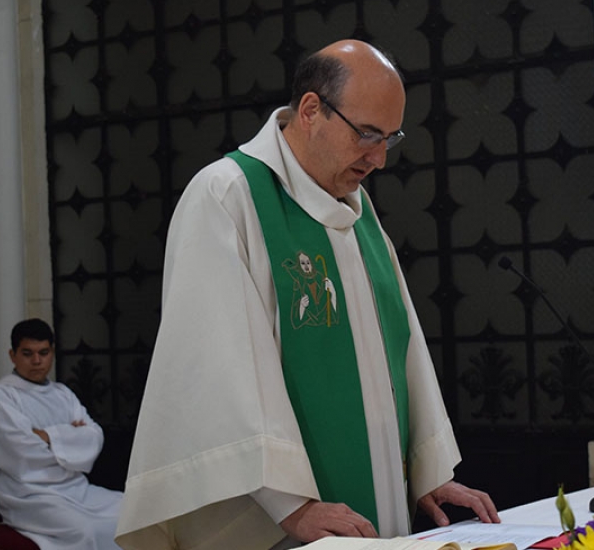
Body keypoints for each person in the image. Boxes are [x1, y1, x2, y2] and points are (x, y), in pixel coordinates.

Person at [116, 39, 499, 550]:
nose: (380, 158)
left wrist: (425, 472)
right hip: (276, 524)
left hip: (376, 510)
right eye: (367, 134)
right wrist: (291, 507)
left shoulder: (358, 211)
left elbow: (395, 352)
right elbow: (215, 371)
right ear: (312, 110)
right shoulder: (228, 195)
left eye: (390, 138)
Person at [0, 318, 123, 550]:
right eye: (27, 353)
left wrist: (47, 436)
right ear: (12, 355)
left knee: (129, 512)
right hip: (30, 496)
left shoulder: (62, 394)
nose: (36, 361)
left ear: (52, 352)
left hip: (76, 489)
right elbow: (21, 453)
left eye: (43, 352)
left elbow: (95, 437)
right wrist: (71, 440)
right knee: (84, 530)